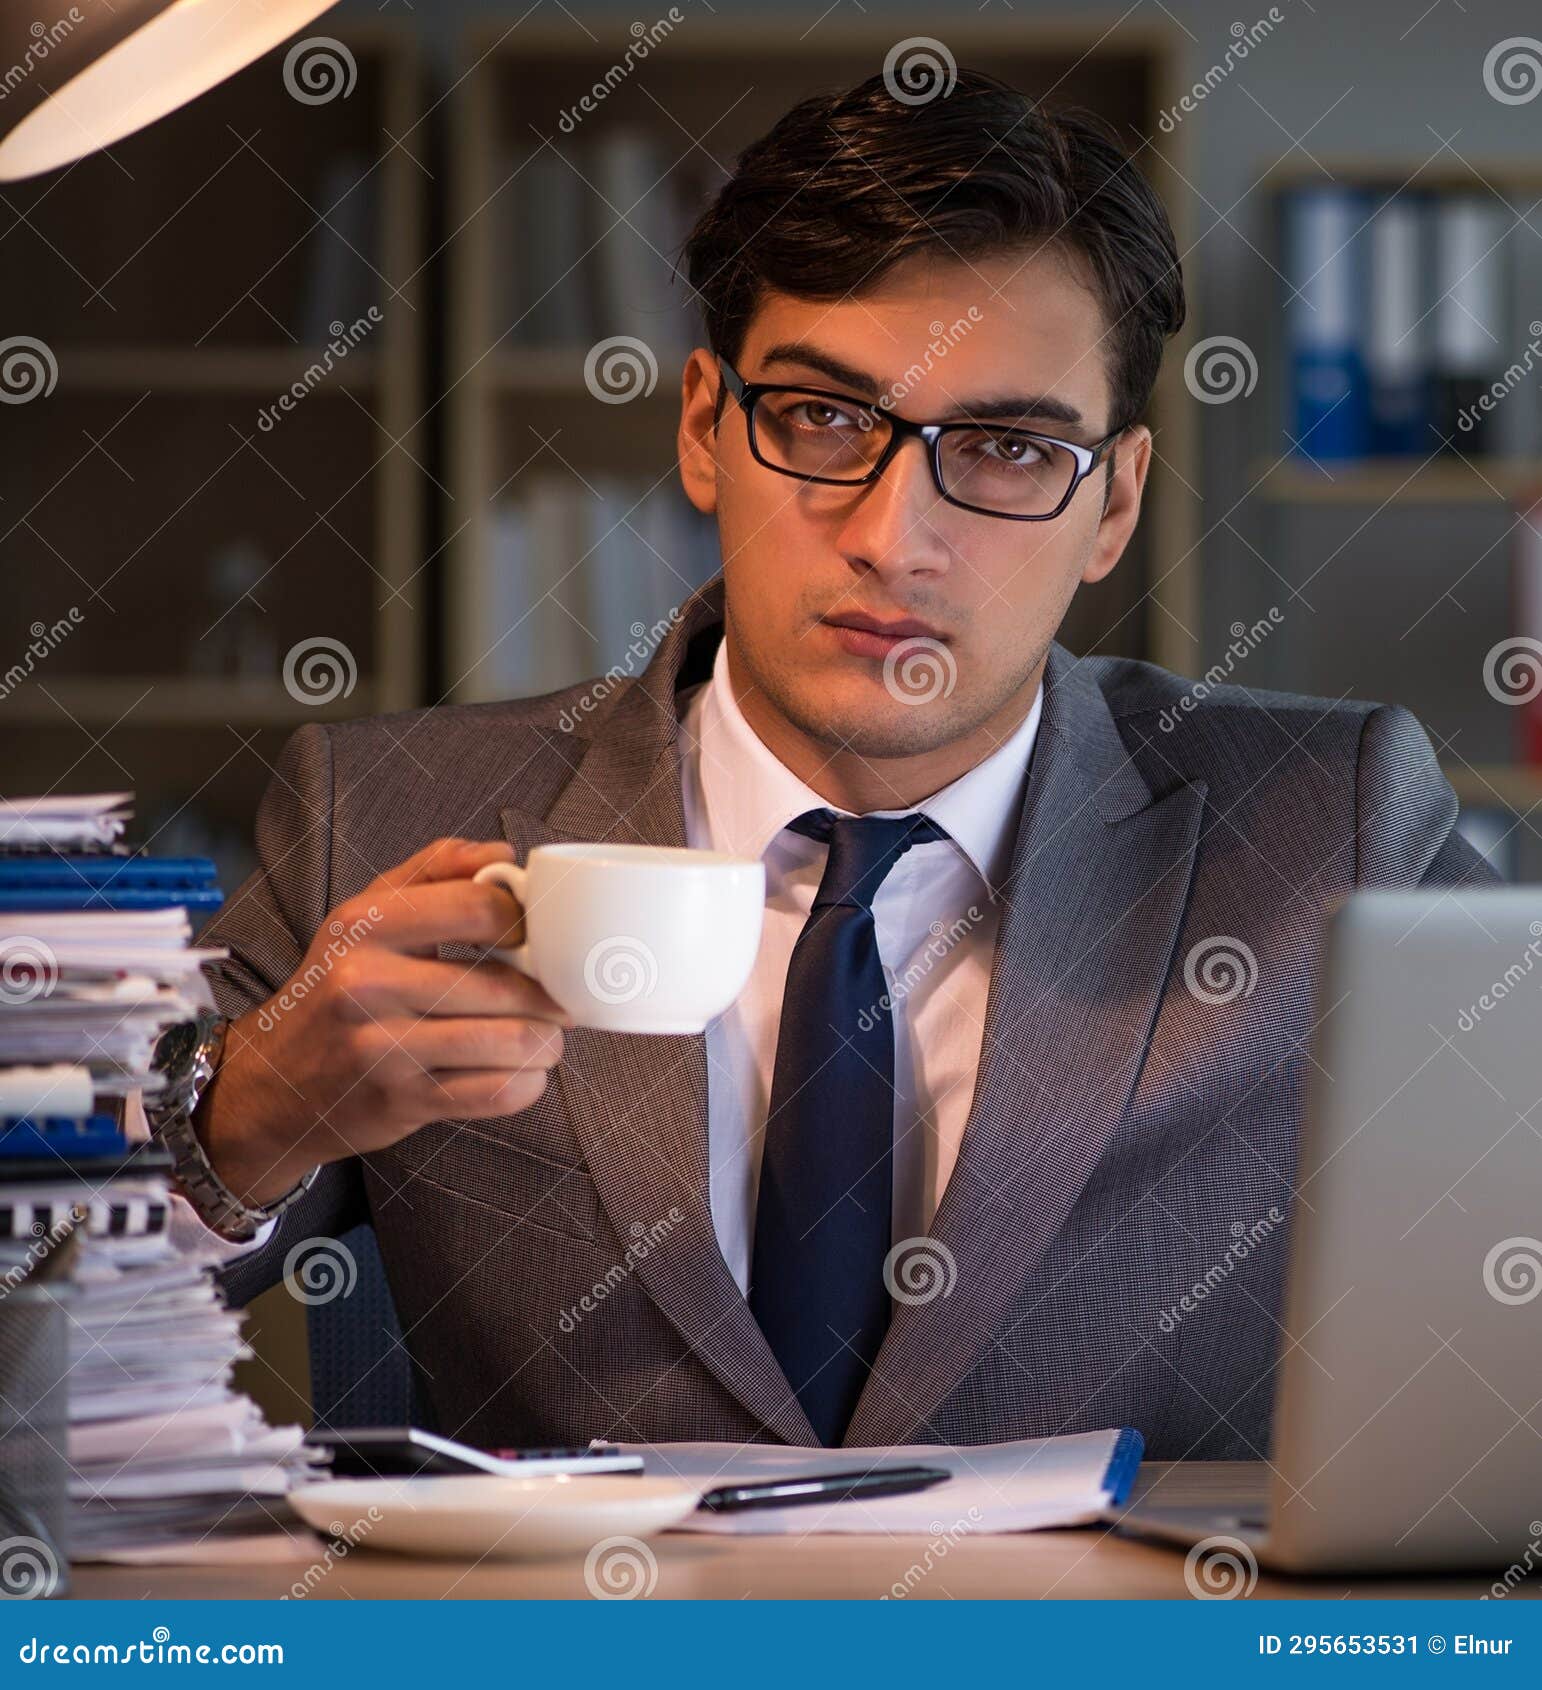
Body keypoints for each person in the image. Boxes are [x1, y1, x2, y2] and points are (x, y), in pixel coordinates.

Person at [150, 70, 1495, 1457]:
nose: (891, 535)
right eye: (823, 419)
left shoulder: (1330, 833)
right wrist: (248, 1111)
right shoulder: (380, 818)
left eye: (1008, 446)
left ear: (1114, 504)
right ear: (701, 429)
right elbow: (43, 1290)